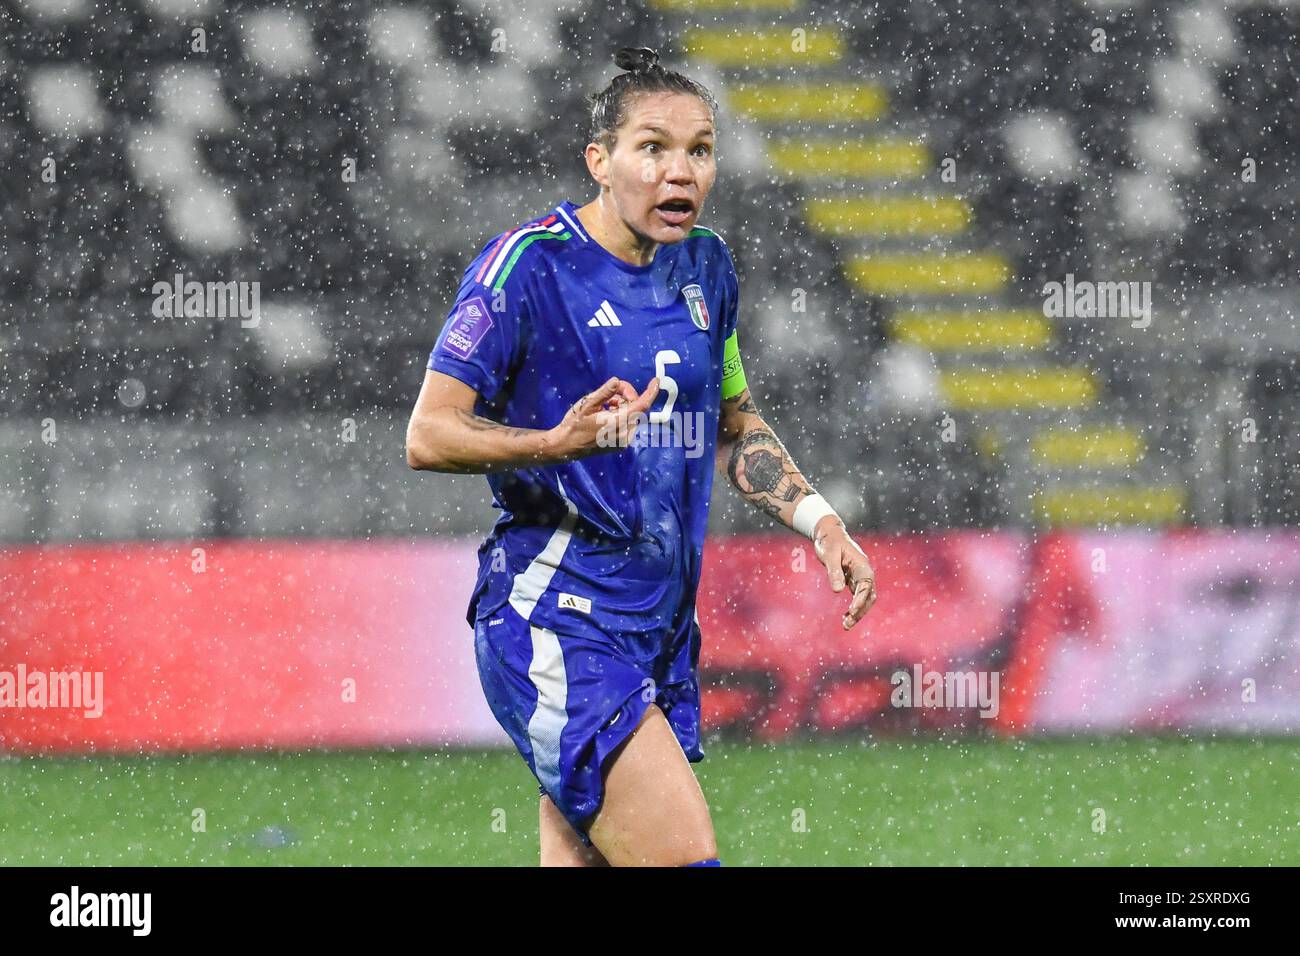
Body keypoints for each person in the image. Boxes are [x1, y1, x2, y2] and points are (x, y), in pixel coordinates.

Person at [406, 46, 876, 866]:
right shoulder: (527, 269)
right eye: (652, 147)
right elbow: (429, 433)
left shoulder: (707, 267)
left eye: (698, 150)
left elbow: (731, 421)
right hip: (556, 616)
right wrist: (555, 442)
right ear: (600, 160)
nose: (679, 171)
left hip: (656, 625)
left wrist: (820, 520)